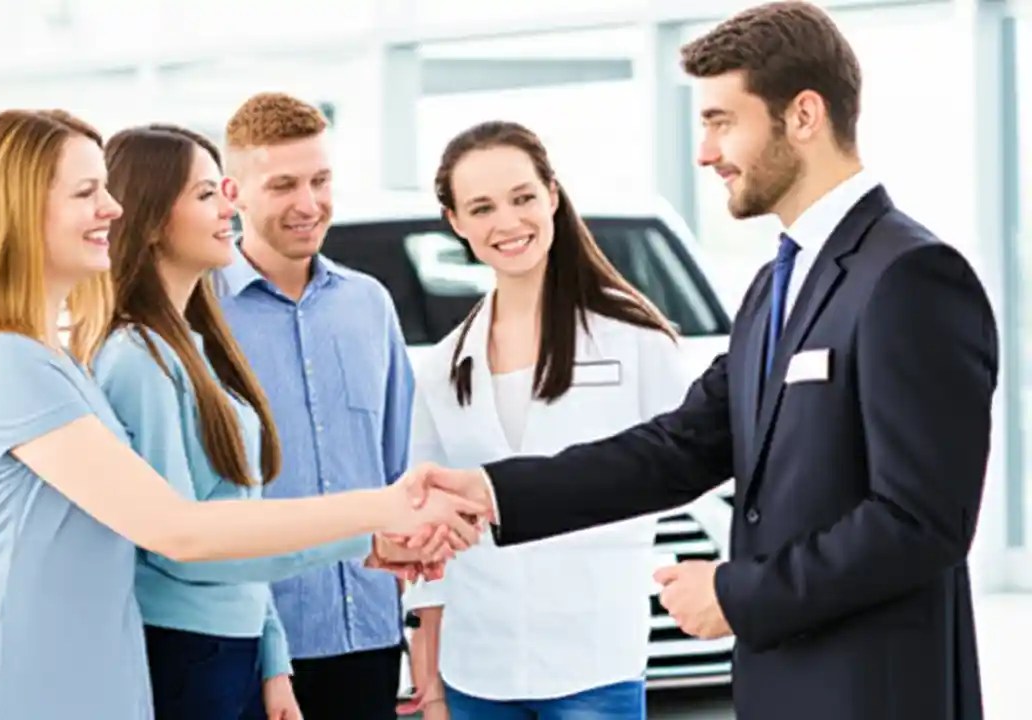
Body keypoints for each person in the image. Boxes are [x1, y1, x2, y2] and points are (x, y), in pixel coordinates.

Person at [406, 3, 998, 719]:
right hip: (782, 685)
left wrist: (734, 591)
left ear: (803, 115)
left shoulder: (910, 277)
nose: (705, 152)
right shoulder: (775, 284)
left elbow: (919, 524)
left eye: (722, 121)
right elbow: (678, 447)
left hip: (870, 690)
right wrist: (492, 491)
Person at [0, 108, 484, 720]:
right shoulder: (8, 364)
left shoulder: (51, 360)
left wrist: (368, 538)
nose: (113, 208)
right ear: (19, 212)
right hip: (12, 693)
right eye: (86, 192)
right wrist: (385, 509)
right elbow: (179, 530)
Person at [89, 123, 452, 720]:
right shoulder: (140, 356)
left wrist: (273, 657)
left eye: (320, 180)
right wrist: (370, 534)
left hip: (313, 640)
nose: (226, 205)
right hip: (199, 653)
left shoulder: (198, 349)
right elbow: (185, 541)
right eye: (208, 194)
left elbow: (384, 468)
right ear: (153, 218)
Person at [398, 120, 689, 720]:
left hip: (594, 660)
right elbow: (427, 530)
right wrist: (429, 678)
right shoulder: (440, 367)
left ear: (553, 195)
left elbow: (689, 464)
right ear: (456, 222)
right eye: (481, 207)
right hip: (478, 665)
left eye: (523, 197)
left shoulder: (636, 340)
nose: (507, 222)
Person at [212, 92, 415, 720]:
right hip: (249, 646)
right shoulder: (200, 317)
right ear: (233, 193)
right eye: (283, 185)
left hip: (369, 636)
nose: (309, 203)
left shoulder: (370, 305)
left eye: (320, 180)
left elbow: (399, 471)